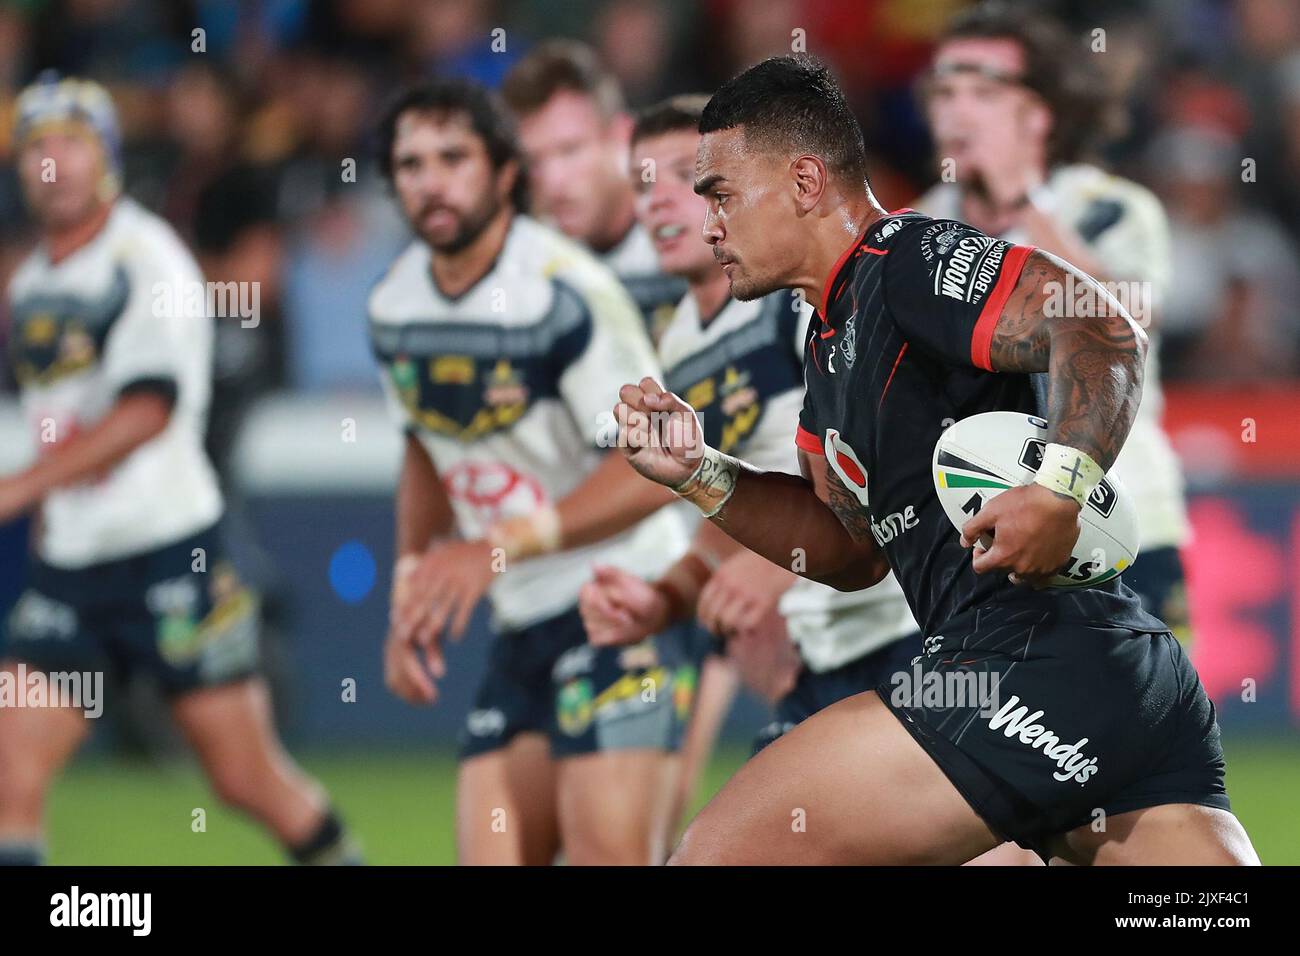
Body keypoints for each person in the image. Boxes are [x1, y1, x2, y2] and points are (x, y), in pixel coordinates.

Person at [613, 55, 1258, 866]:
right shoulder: (829, 342)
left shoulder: (906, 262)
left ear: (807, 180)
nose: (710, 224)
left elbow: (1095, 323)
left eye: (721, 194)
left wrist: (1061, 490)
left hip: (1021, 663)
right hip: (1122, 678)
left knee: (718, 854)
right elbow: (849, 551)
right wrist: (702, 472)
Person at [0, 74, 359, 866]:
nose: (52, 163)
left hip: (173, 551)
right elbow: (55, 416)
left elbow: (146, 411)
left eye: (70, 143)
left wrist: (21, 488)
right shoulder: (32, 283)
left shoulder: (149, 260)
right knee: (9, 769)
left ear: (107, 160)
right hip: (71, 569)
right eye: (36, 147)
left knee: (244, 777)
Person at [370, 79, 690, 865]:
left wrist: (496, 546)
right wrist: (411, 581)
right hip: (521, 625)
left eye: (454, 157)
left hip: (616, 606)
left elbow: (654, 470)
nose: (432, 181)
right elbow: (423, 445)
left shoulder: (566, 294)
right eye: (410, 164)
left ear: (505, 174)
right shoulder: (392, 306)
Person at [579, 96, 920, 780]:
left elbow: (889, 451)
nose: (661, 203)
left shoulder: (794, 296)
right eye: (643, 183)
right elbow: (732, 506)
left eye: (689, 179)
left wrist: (777, 565)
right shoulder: (680, 340)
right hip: (818, 650)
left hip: (907, 628)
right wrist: (665, 598)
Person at [503, 42, 734, 828]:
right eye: (535, 158)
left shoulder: (697, 232)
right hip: (627, 554)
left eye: (571, 150)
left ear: (619, 139)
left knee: (666, 819)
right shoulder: (530, 273)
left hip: (741, 535)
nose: (555, 177)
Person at [914, 2, 1194, 647]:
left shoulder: (1113, 208)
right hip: (988, 532)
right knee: (1013, 744)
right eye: (944, 90)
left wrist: (1021, 202)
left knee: (1153, 738)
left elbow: (1127, 325)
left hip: (1126, 521)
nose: (957, 110)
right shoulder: (917, 231)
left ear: (1039, 113)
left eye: (984, 90)